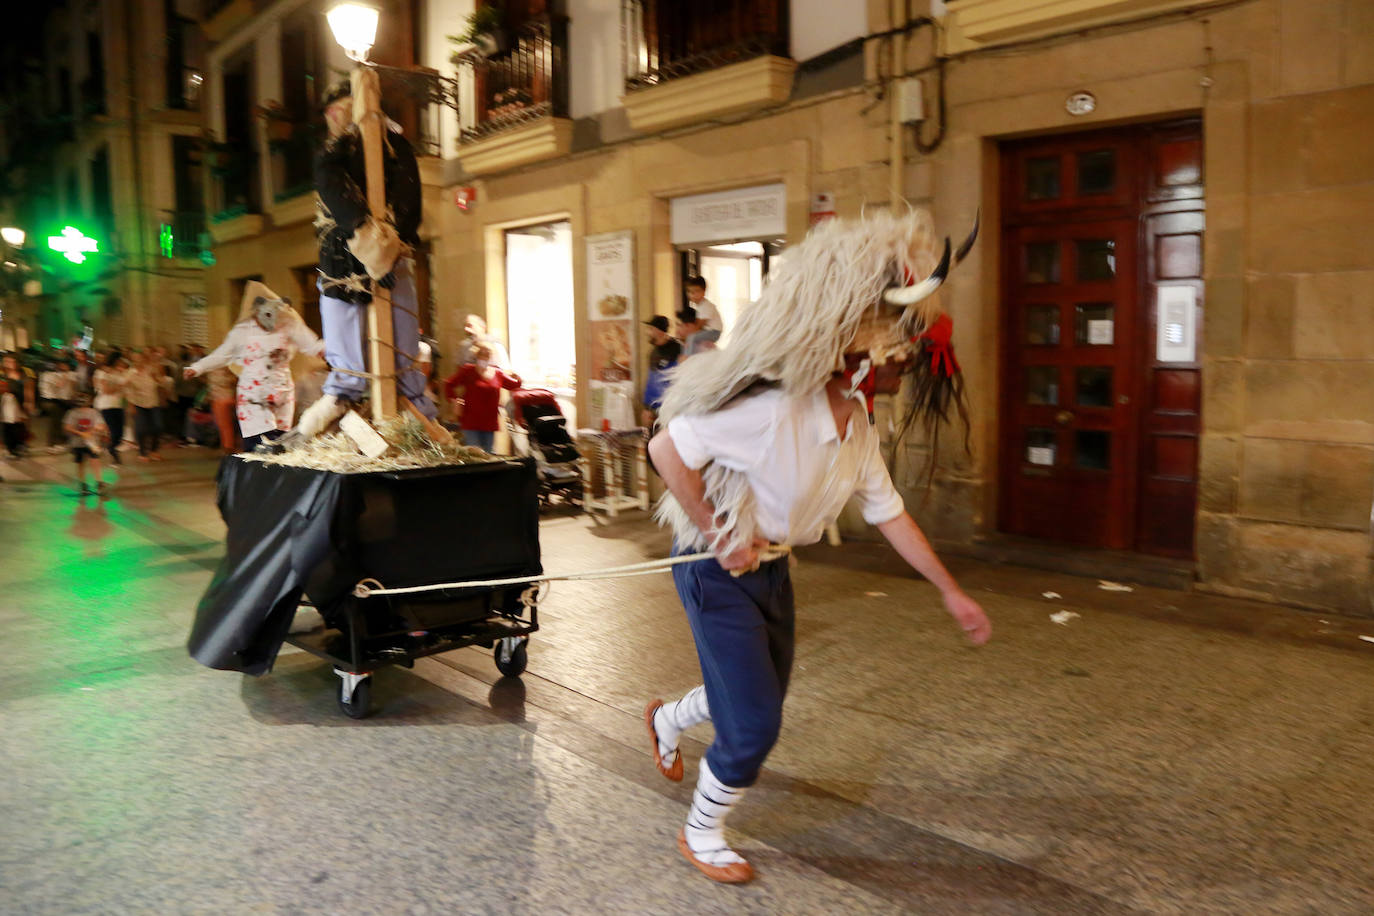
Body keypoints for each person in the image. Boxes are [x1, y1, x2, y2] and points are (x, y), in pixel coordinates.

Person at [642, 210, 989, 885]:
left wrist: (952, 592)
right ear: (859, 363)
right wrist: (716, 530)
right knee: (755, 728)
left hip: (772, 572)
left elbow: (893, 518)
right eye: (895, 359)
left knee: (750, 692)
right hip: (715, 571)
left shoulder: (858, 429)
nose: (903, 370)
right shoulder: (772, 412)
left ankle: (666, 721)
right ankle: (702, 831)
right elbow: (665, 447)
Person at [291, 81, 435, 441]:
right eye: (336, 112)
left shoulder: (394, 147)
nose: (338, 118)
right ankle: (338, 403)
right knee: (347, 362)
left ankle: (419, 416)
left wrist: (389, 248)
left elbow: (408, 202)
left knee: (400, 349)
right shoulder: (332, 154)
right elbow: (338, 197)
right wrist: (373, 251)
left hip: (392, 252)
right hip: (343, 262)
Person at [186, 282, 325, 453]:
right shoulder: (242, 331)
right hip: (254, 392)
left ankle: (276, 476)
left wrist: (323, 350)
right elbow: (223, 355)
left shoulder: (289, 324)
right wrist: (198, 367)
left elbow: (310, 344)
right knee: (260, 438)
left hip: (282, 390)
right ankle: (257, 474)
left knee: (280, 439)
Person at [443, 344, 521, 453]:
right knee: (474, 454)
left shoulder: (497, 373)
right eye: (481, 353)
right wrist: (454, 401)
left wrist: (517, 378)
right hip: (471, 421)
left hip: (489, 422)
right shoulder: (468, 370)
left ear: (491, 356)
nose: (484, 357)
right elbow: (449, 384)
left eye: (487, 354)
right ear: (476, 355)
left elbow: (514, 385)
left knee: (487, 454)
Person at [62, 391, 109, 496]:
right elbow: (101, 426)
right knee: (91, 461)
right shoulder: (89, 412)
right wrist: (84, 433)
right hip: (83, 442)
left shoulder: (74, 413)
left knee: (85, 462)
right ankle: (93, 483)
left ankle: (89, 483)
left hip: (87, 442)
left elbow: (67, 427)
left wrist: (88, 432)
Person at [126, 350, 170, 461]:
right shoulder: (130, 373)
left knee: (159, 426)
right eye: (134, 358)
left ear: (144, 359)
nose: (137, 361)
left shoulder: (151, 370)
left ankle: (154, 451)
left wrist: (156, 377)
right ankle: (142, 453)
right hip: (138, 404)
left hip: (153, 402)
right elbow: (128, 390)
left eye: (139, 358)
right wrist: (131, 405)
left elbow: (162, 383)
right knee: (141, 429)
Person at [640, 315, 680, 429]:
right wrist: (646, 407)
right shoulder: (653, 352)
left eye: (651, 329)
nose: (648, 332)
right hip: (652, 409)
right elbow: (651, 381)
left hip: (670, 410)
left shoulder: (677, 350)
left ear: (659, 331)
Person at [93, 351, 129, 464]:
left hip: (118, 404)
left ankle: (111, 448)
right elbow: (106, 390)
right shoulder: (102, 372)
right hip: (106, 405)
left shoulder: (118, 372)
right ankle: (112, 451)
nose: (121, 362)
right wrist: (120, 386)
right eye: (120, 360)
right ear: (115, 360)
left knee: (120, 433)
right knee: (114, 431)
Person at [1, 353, 36, 458]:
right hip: (6, 405)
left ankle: (20, 446)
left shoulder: (25, 373)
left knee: (20, 426)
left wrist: (30, 402)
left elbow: (29, 390)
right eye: (7, 362)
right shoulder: (3, 374)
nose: (10, 364)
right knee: (8, 427)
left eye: (12, 361)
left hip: (20, 404)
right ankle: (11, 448)